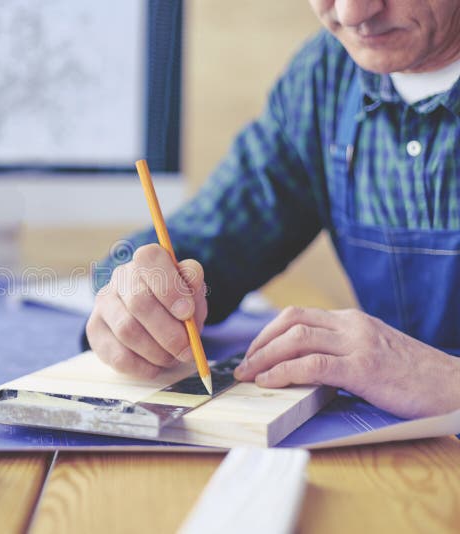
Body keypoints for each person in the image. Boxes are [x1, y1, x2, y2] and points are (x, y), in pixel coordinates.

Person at [85, 0, 460, 419]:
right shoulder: (327, 76)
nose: (351, 14)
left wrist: (447, 383)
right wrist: (135, 297)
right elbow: (202, 244)